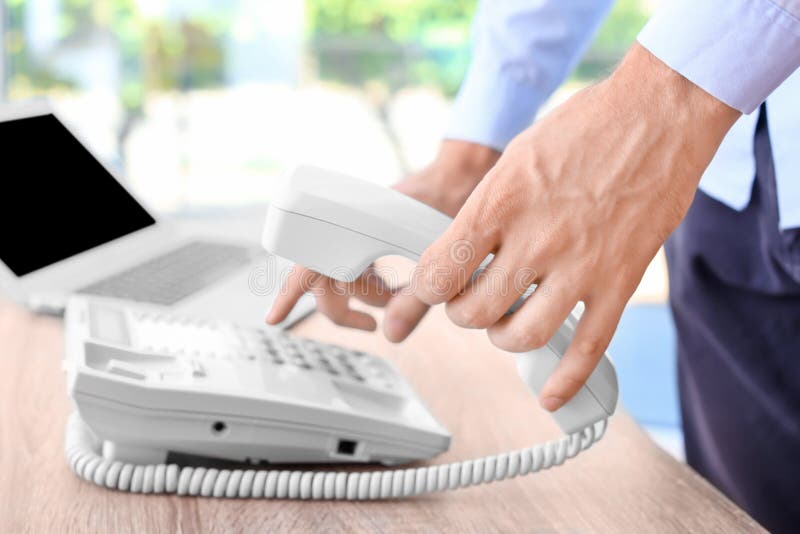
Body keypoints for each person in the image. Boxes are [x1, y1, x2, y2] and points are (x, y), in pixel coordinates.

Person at [267, 0, 800, 530]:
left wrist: (665, 97)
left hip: (706, 120)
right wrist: (470, 153)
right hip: (730, 179)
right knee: (745, 513)